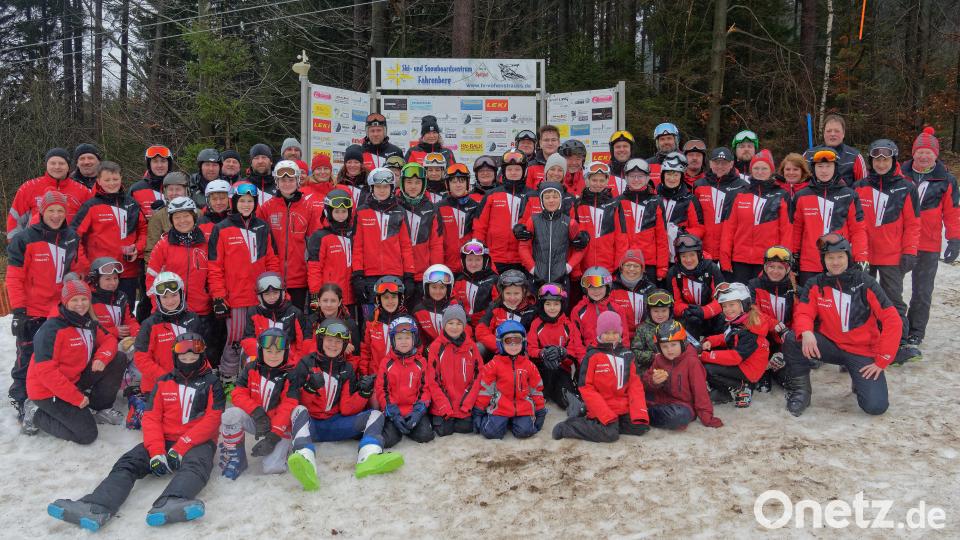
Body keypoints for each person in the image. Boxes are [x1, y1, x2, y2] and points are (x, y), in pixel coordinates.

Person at [46, 333, 224, 531]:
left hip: (197, 442)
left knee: (196, 466)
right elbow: (151, 417)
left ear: (202, 354)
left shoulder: (212, 383)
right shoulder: (163, 382)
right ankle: (96, 507)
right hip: (164, 439)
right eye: (183, 352)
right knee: (128, 463)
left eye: (194, 353)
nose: (189, 357)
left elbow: (213, 419)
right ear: (175, 355)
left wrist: (182, 446)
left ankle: (172, 501)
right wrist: (156, 451)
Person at [781, 233, 901, 417]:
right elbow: (803, 312)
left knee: (875, 406)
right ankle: (800, 392)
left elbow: (892, 320)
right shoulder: (815, 284)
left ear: (848, 257)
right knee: (792, 339)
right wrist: (806, 332)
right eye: (830, 258)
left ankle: (857, 378)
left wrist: (882, 359)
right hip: (831, 345)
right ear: (823, 260)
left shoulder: (865, 282)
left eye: (840, 257)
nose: (835, 262)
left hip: (862, 351)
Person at [287, 319, 403, 489]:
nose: (333, 345)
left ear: (344, 345)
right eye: (329, 340)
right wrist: (309, 389)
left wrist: (363, 393)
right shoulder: (306, 363)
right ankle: (305, 460)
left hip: (335, 424)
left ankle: (369, 457)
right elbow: (294, 399)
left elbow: (347, 408)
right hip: (311, 425)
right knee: (298, 410)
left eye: (338, 342)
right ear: (320, 341)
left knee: (375, 414)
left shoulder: (347, 368)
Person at [7, 191, 82, 416]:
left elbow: (76, 266)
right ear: (42, 211)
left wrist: (75, 282)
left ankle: (51, 394)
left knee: (53, 356)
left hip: (59, 309)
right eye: (51, 210)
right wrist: (19, 311)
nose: (56, 215)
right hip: (32, 309)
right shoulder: (24, 239)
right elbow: (14, 277)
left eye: (60, 210)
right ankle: (20, 397)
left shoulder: (71, 237)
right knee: (27, 355)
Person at [22, 278, 123, 441]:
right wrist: (76, 398)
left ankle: (100, 408)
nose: (80, 304)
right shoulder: (51, 330)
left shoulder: (86, 322)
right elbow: (46, 373)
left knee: (117, 358)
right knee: (87, 434)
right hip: (47, 390)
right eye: (74, 300)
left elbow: (109, 339)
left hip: (73, 380)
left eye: (84, 299)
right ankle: (35, 414)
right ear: (65, 301)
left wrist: (102, 358)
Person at [854, 139, 922, 363]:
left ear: (893, 161)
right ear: (871, 161)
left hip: (892, 255)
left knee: (892, 299)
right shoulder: (860, 186)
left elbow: (913, 224)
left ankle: (898, 341)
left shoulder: (907, 187)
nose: (881, 164)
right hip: (864, 254)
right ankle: (863, 341)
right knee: (862, 298)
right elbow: (853, 222)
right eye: (877, 160)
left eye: (885, 160)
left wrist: (910, 251)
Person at [207, 183, 280, 383]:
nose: (246, 205)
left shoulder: (262, 227)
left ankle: (255, 374)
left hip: (260, 296)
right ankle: (229, 376)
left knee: (260, 337)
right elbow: (214, 267)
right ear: (234, 203)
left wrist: (274, 287)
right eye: (242, 201)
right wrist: (219, 296)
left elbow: (272, 260)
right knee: (235, 338)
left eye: (250, 201)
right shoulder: (222, 228)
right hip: (235, 297)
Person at [218, 328, 302, 483]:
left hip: (280, 427)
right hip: (258, 420)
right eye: (269, 351)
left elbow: (288, 406)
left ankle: (286, 448)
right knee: (230, 415)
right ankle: (237, 458)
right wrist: (257, 412)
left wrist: (273, 437)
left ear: (286, 352)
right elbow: (238, 394)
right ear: (260, 351)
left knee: (272, 468)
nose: (273, 356)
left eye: (279, 352)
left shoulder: (291, 373)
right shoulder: (251, 368)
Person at [901, 127, 960, 346]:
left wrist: (955, 239)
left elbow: (953, 213)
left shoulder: (946, 180)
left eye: (928, 152)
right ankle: (895, 326)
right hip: (900, 242)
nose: (924, 156)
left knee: (922, 291)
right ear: (913, 153)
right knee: (892, 288)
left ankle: (916, 330)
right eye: (920, 151)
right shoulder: (899, 174)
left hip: (928, 243)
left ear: (935, 155)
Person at [552, 311, 649, 442]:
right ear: (599, 333)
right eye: (606, 333)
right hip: (601, 408)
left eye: (615, 332)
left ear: (620, 332)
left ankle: (613, 424)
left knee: (641, 426)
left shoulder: (627, 355)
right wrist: (605, 414)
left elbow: (635, 385)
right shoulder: (592, 356)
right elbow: (586, 388)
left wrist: (639, 412)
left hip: (622, 408)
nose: (611, 337)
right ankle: (569, 427)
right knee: (611, 434)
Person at [146, 197, 216, 362]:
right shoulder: (163, 244)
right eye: (177, 217)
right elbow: (151, 277)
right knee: (175, 353)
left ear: (194, 217)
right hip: (172, 310)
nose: (182, 221)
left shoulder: (206, 241)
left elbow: (215, 271)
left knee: (202, 351)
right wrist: (158, 305)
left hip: (201, 308)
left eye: (186, 216)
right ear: (171, 220)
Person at [73, 161, 149, 304]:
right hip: (100, 272)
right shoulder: (91, 206)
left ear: (121, 178)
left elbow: (144, 230)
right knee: (102, 313)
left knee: (126, 311)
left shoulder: (132, 204)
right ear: (98, 181)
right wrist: (86, 266)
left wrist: (138, 248)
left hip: (127, 272)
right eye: (107, 180)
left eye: (115, 179)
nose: (112, 183)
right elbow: (75, 236)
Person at [792, 147, 868, 284]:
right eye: (820, 166)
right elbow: (796, 230)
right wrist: (793, 255)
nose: (824, 171)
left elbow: (858, 230)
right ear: (813, 169)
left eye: (828, 166)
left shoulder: (849, 195)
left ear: (836, 168)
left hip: (839, 263)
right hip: (810, 264)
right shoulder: (801, 196)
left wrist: (861, 256)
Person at [720, 149, 793, 283]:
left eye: (764, 168)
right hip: (740, 260)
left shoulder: (782, 195)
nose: (760, 172)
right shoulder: (739, 194)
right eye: (756, 168)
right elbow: (729, 228)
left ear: (771, 171)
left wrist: (783, 259)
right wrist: (725, 258)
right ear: (751, 170)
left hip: (769, 260)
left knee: (761, 295)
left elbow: (787, 231)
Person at [351, 167, 415, 311]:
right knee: (371, 319)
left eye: (386, 187)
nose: (382, 190)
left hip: (394, 274)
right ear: (372, 188)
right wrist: (357, 276)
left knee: (393, 316)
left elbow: (406, 246)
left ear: (391, 188)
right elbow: (357, 247)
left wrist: (409, 276)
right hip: (369, 276)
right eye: (378, 187)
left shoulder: (399, 211)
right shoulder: (362, 212)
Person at [257, 160, 318, 311]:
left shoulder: (308, 207)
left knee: (296, 317)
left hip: (299, 277)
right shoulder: (266, 207)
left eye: (290, 180)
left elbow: (315, 243)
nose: (287, 184)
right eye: (283, 180)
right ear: (276, 182)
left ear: (297, 181)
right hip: (273, 278)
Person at [133, 272, 203, 401]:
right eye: (164, 297)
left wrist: (206, 376)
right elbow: (141, 359)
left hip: (188, 382)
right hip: (157, 385)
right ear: (158, 299)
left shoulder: (193, 319)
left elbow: (200, 352)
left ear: (181, 294)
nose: (170, 301)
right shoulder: (150, 324)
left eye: (174, 295)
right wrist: (165, 377)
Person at [700, 282, 770, 408]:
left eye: (732, 305)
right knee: (710, 359)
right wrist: (710, 341)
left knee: (708, 368)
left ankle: (740, 388)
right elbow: (727, 336)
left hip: (749, 369)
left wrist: (706, 356)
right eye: (724, 306)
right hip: (744, 362)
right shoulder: (739, 320)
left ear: (744, 304)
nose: (727, 309)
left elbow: (736, 357)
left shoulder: (750, 330)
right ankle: (725, 389)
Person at [643, 320, 722, 430]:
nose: (669, 350)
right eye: (664, 346)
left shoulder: (692, 362)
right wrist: (653, 381)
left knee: (679, 417)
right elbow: (645, 381)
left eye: (673, 345)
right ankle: (643, 413)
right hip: (661, 399)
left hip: (683, 405)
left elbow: (700, 392)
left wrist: (707, 417)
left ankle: (644, 415)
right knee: (638, 393)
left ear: (683, 343)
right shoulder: (659, 359)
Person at [474, 320, 546, 439]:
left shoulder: (529, 366)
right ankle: (496, 420)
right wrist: (479, 411)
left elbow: (536, 390)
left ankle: (514, 422)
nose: (513, 346)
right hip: (500, 407)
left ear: (523, 342)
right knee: (491, 433)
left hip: (523, 408)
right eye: (508, 341)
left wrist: (540, 410)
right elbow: (485, 390)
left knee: (525, 432)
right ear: (500, 343)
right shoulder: (493, 365)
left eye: (517, 341)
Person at [474, 150, 539, 274]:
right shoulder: (492, 195)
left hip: (524, 259)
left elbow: (540, 226)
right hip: (495, 259)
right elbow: (479, 227)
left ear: (524, 171)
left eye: (517, 169)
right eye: (509, 169)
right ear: (503, 172)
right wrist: (479, 255)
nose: (513, 172)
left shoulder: (534, 196)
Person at [7, 147, 91, 240]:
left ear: (68, 167)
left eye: (62, 163)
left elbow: (91, 222)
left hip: (70, 245)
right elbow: (15, 219)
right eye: (52, 163)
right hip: (36, 244)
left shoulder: (83, 191)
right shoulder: (28, 187)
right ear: (46, 165)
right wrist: (15, 244)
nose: (57, 167)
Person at [376, 316, 434, 447]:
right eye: (399, 338)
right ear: (393, 340)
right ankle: (398, 427)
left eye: (407, 337)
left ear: (414, 339)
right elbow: (382, 390)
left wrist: (418, 412)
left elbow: (426, 389)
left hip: (413, 410)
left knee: (426, 435)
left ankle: (410, 425)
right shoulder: (386, 363)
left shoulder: (421, 362)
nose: (403, 342)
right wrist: (393, 414)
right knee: (389, 440)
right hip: (394, 411)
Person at [425, 304, 483, 436]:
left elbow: (478, 375)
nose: (454, 327)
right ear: (444, 324)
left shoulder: (471, 346)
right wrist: (443, 406)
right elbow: (432, 380)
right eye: (450, 323)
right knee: (444, 431)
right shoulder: (436, 347)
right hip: (443, 406)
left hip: (464, 406)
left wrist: (467, 404)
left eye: (459, 323)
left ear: (464, 326)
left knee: (466, 428)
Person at [517, 182, 585, 289]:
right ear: (541, 200)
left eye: (555, 197)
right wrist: (532, 269)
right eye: (547, 197)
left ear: (561, 199)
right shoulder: (533, 220)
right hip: (537, 277)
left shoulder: (570, 222)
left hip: (561, 278)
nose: (551, 200)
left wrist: (568, 267)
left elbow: (579, 249)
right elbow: (523, 247)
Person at [527, 283, 584, 408]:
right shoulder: (536, 324)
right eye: (548, 304)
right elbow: (530, 348)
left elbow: (574, 351)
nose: (552, 308)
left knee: (567, 402)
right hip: (541, 369)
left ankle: (556, 392)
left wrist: (562, 353)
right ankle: (543, 393)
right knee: (535, 399)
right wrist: (542, 353)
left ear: (562, 305)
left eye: (556, 304)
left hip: (561, 369)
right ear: (542, 305)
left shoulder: (568, 325)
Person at [747, 246, 796, 392]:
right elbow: (753, 314)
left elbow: (799, 319)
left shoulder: (795, 290)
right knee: (751, 331)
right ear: (765, 267)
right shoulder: (754, 285)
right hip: (762, 337)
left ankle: (776, 368)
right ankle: (762, 372)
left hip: (784, 339)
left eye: (780, 267)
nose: (775, 271)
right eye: (771, 266)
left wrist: (786, 348)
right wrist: (775, 324)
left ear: (788, 269)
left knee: (788, 380)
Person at [615, 158, 669, 282]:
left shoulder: (656, 201)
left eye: (640, 176)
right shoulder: (618, 202)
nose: (636, 180)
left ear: (648, 178)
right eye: (632, 176)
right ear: (626, 178)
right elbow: (614, 238)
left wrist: (662, 267)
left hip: (648, 264)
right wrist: (616, 266)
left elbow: (662, 237)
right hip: (625, 263)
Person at [240, 272, 313, 363]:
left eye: (275, 293)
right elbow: (248, 339)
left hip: (289, 359)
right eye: (267, 294)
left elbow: (302, 342)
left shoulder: (294, 313)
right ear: (260, 296)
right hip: (262, 357)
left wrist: (295, 361)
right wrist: (264, 357)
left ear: (282, 293)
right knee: (247, 358)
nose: (272, 297)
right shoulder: (253, 312)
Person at [397, 163, 444, 302]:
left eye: (417, 182)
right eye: (409, 182)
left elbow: (436, 245)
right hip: (398, 273)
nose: (413, 186)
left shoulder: (431, 209)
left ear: (423, 184)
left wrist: (435, 274)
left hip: (422, 275)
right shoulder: (393, 206)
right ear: (402, 183)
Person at [693, 147, 750, 261]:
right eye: (716, 162)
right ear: (710, 163)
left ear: (731, 164)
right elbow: (695, 218)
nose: (720, 166)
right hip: (704, 250)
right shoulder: (699, 185)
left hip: (732, 250)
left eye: (724, 163)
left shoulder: (743, 186)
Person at [307, 189, 356, 313]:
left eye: (344, 211)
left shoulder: (353, 234)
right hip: (329, 298)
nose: (341, 215)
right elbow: (314, 268)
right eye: (337, 211)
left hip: (351, 297)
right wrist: (315, 294)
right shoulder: (320, 236)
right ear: (328, 212)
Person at [668, 233, 724, 339]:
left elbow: (721, 299)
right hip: (688, 316)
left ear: (699, 254)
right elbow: (674, 302)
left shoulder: (711, 269)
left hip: (711, 315)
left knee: (722, 317)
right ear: (678, 258)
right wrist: (685, 310)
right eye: (683, 256)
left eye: (692, 255)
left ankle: (715, 345)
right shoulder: (674, 273)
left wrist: (704, 312)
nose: (688, 260)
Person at [575, 162, 627, 274]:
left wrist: (617, 269)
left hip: (609, 268)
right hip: (583, 268)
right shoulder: (578, 205)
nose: (598, 184)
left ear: (607, 181)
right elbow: (573, 239)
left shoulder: (615, 205)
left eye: (602, 180)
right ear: (587, 180)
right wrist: (576, 270)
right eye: (594, 180)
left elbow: (621, 240)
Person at [87, 258, 140, 363]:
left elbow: (130, 321)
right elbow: (87, 330)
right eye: (108, 279)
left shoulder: (121, 297)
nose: (113, 282)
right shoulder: (87, 300)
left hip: (120, 344)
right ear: (95, 280)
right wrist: (114, 331)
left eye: (115, 278)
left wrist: (138, 335)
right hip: (97, 349)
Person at [475, 270, 537, 356]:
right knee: (478, 347)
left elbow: (533, 338)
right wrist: (501, 346)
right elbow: (481, 330)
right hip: (497, 350)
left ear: (524, 292)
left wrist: (517, 347)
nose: (512, 298)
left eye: (516, 293)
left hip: (520, 352)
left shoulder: (531, 311)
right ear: (502, 293)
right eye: (508, 293)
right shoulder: (495, 306)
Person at [657, 151, 704, 259]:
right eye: (668, 174)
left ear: (681, 177)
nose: (672, 179)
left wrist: (682, 233)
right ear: (663, 176)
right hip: (656, 252)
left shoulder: (689, 199)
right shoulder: (654, 197)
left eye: (676, 175)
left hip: (679, 252)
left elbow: (699, 228)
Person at [360, 276, 409, 376]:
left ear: (400, 298)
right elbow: (365, 352)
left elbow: (416, 352)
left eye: (394, 297)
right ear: (378, 299)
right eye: (386, 297)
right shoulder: (370, 321)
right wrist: (364, 375)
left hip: (400, 377)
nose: (390, 301)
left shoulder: (408, 322)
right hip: (375, 376)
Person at [437, 163, 482, 273]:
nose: (458, 185)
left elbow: (480, 236)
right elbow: (435, 241)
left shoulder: (476, 206)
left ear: (467, 183)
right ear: (447, 184)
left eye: (461, 181)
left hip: (470, 267)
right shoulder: (439, 207)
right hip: (446, 267)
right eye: (453, 181)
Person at [571, 266, 631, 348]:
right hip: (588, 354)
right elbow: (576, 341)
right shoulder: (578, 310)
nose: (596, 291)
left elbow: (624, 339)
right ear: (586, 289)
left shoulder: (617, 309)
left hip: (612, 354)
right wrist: (584, 356)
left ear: (607, 288)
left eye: (600, 287)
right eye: (591, 287)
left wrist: (622, 354)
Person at [802, 113, 867, 183]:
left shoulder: (855, 157)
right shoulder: (808, 154)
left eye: (837, 131)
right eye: (829, 131)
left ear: (843, 133)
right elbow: (799, 183)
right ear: (824, 133)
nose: (832, 134)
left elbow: (863, 185)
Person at [452, 239, 500, 327]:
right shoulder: (458, 280)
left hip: (486, 325)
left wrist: (484, 323)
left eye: (478, 260)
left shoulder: (493, 280)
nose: (473, 264)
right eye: (470, 260)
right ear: (463, 261)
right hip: (463, 325)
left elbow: (497, 307)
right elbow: (454, 304)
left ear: (485, 261)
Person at [609, 250, 657, 337]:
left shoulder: (650, 288)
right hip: (619, 336)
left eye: (636, 266)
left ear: (642, 269)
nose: (631, 269)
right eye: (628, 265)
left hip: (645, 336)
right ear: (621, 267)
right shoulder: (611, 287)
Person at [145, 172, 191, 260]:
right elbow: (151, 250)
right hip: (167, 265)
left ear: (186, 191)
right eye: (170, 189)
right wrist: (152, 268)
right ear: (165, 192)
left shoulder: (197, 214)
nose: (174, 193)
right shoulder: (158, 217)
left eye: (178, 189)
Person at [630, 289, 679, 371]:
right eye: (656, 311)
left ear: (670, 311)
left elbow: (686, 347)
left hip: (674, 368)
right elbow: (635, 352)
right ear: (649, 311)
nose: (660, 315)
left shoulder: (676, 326)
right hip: (651, 369)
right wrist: (654, 356)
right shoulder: (642, 329)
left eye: (664, 311)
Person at [411, 264, 457, 346]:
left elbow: (465, 330)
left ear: (448, 289)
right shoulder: (418, 311)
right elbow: (417, 338)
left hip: (452, 348)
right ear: (427, 288)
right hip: (428, 351)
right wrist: (427, 349)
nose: (438, 292)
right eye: (434, 287)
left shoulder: (455, 306)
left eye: (442, 287)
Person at [310, 283, 361, 355]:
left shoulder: (350, 324)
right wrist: (341, 347)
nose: (329, 305)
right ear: (319, 302)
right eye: (325, 300)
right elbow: (306, 348)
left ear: (339, 302)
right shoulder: (311, 321)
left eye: (333, 301)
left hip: (343, 362)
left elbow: (356, 355)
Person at [130, 145, 173, 222]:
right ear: (149, 164)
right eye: (155, 161)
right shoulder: (136, 189)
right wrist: (145, 220)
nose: (159, 165)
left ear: (168, 164)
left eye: (163, 161)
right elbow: (129, 220)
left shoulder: (180, 186)